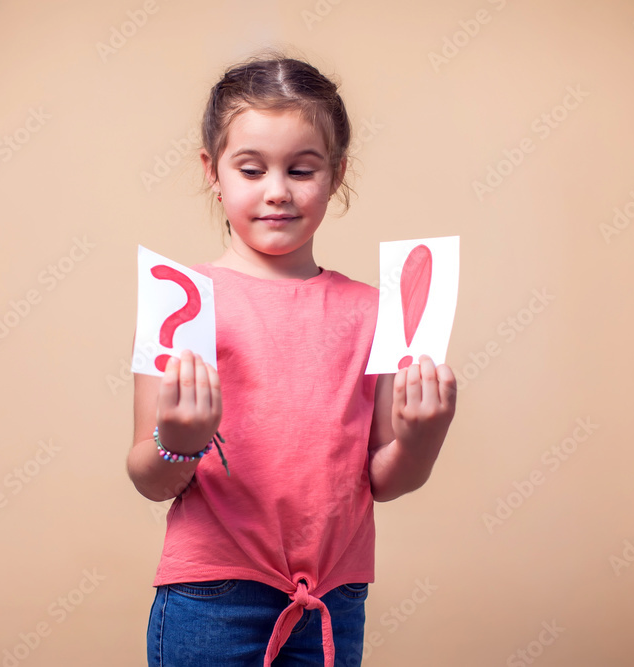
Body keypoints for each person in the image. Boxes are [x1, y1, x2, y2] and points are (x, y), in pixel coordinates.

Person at [127, 49, 457, 667]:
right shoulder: (186, 301)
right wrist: (179, 439)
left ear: (335, 172)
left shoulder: (376, 312)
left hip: (334, 596)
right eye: (251, 170)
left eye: (301, 170)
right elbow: (150, 478)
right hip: (211, 596)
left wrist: (421, 439)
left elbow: (383, 481)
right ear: (212, 170)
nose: (276, 192)